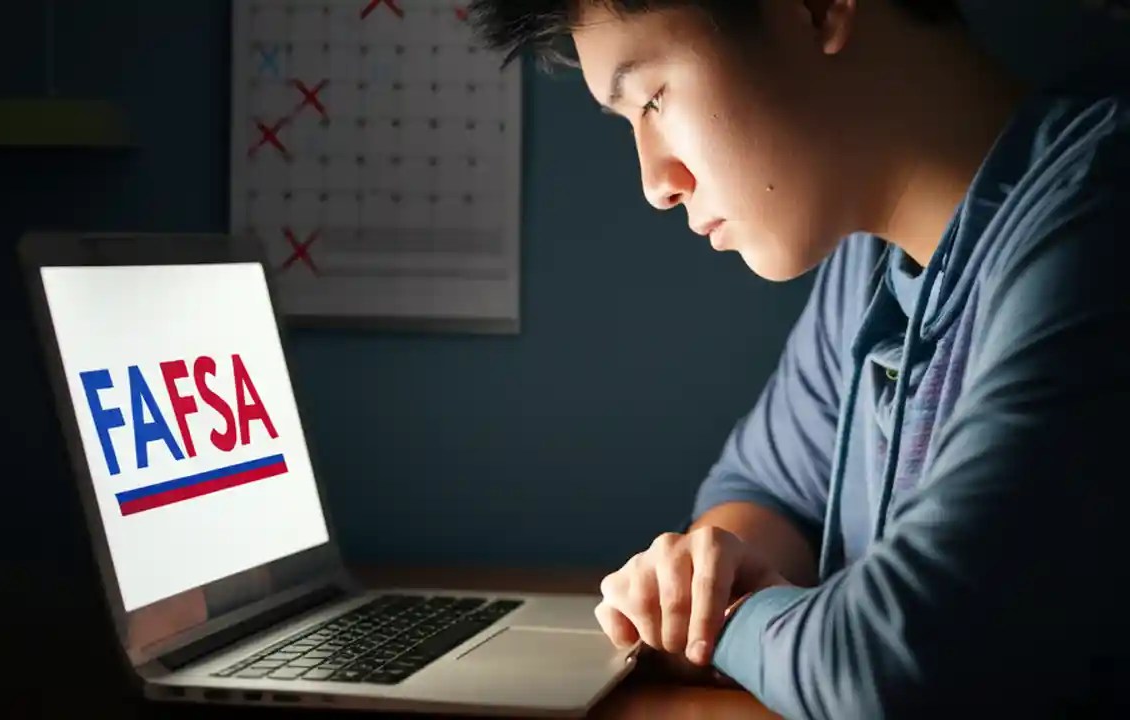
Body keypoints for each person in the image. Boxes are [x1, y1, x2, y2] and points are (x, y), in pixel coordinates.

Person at [467, 1, 1129, 717]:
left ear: (816, 10)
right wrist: (699, 582)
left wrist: (720, 624)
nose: (655, 183)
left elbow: (892, 661)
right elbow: (765, 492)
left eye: (653, 99)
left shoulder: (1100, 222)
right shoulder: (868, 262)